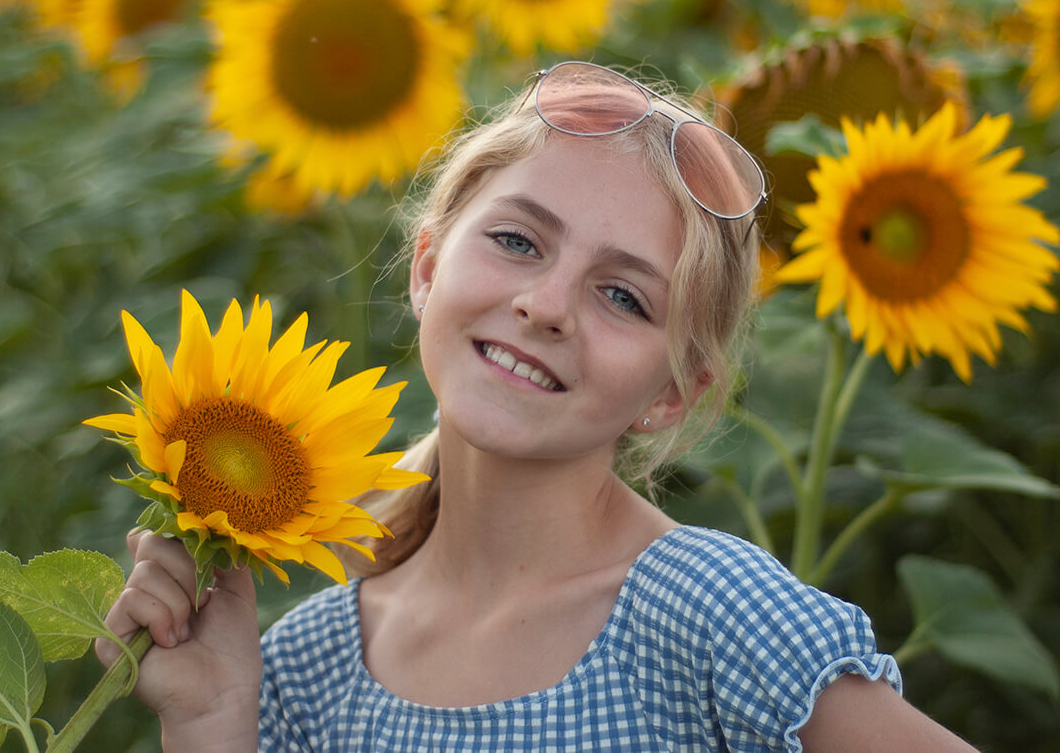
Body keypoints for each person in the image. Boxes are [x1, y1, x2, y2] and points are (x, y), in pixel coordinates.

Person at [97, 61, 978, 752]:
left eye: (624, 297)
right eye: (518, 241)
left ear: (672, 393)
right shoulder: (298, 666)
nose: (547, 303)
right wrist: (211, 725)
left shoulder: (711, 613)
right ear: (429, 265)